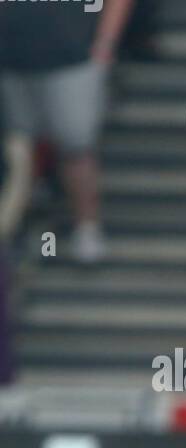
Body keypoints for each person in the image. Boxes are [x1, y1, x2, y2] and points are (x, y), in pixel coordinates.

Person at [0, 0, 135, 263]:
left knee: (76, 145)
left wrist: (106, 44)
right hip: (11, 58)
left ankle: (87, 227)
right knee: (19, 151)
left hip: (71, 55)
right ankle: (20, 228)